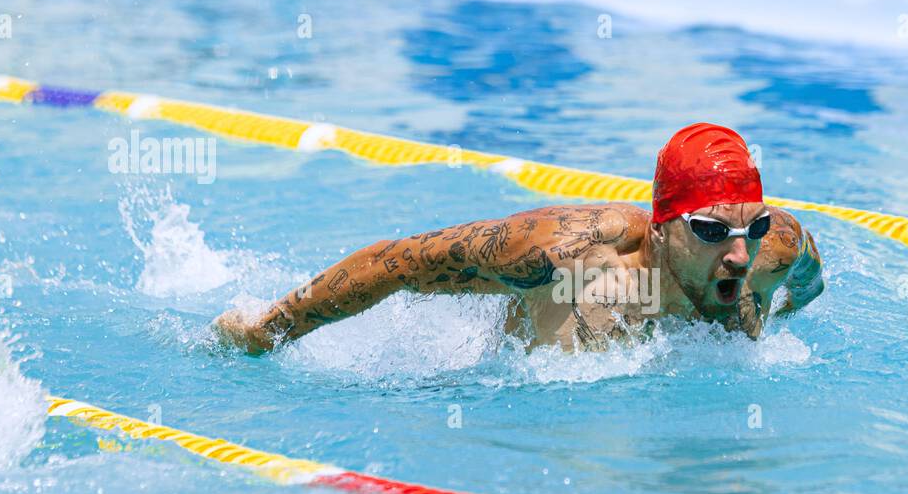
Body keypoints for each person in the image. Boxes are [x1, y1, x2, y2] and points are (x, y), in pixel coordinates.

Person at [213, 122, 824, 352]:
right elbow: (399, 261)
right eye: (714, 231)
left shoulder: (774, 252)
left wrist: (787, 309)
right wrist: (271, 329)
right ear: (663, 226)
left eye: (753, 226)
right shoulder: (569, 255)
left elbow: (811, 281)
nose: (739, 253)